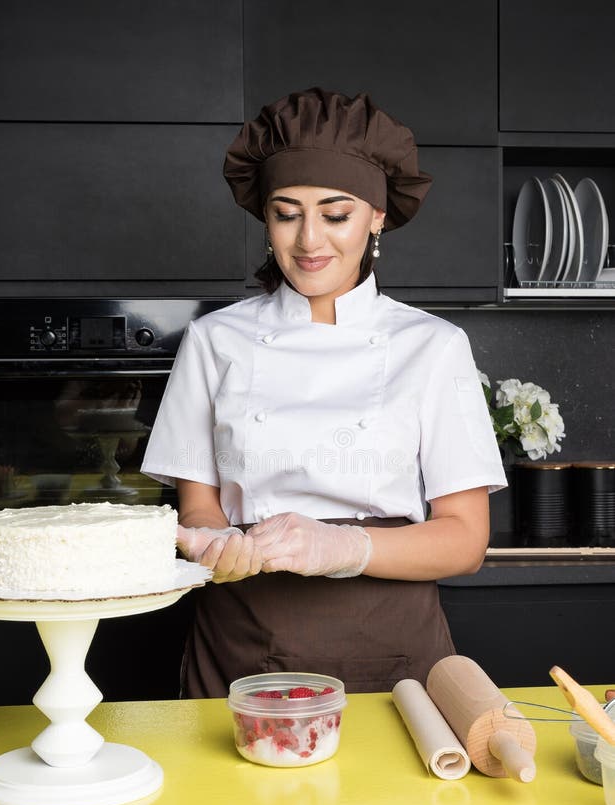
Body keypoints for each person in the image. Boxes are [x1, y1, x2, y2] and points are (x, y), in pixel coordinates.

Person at [142, 87, 507, 698]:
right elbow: (199, 507)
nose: (310, 240)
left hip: (394, 654)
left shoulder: (433, 345)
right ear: (267, 219)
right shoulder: (214, 339)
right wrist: (219, 541)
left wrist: (339, 545)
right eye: (287, 214)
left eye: (336, 215)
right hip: (243, 643)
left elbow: (466, 539)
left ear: (378, 216)